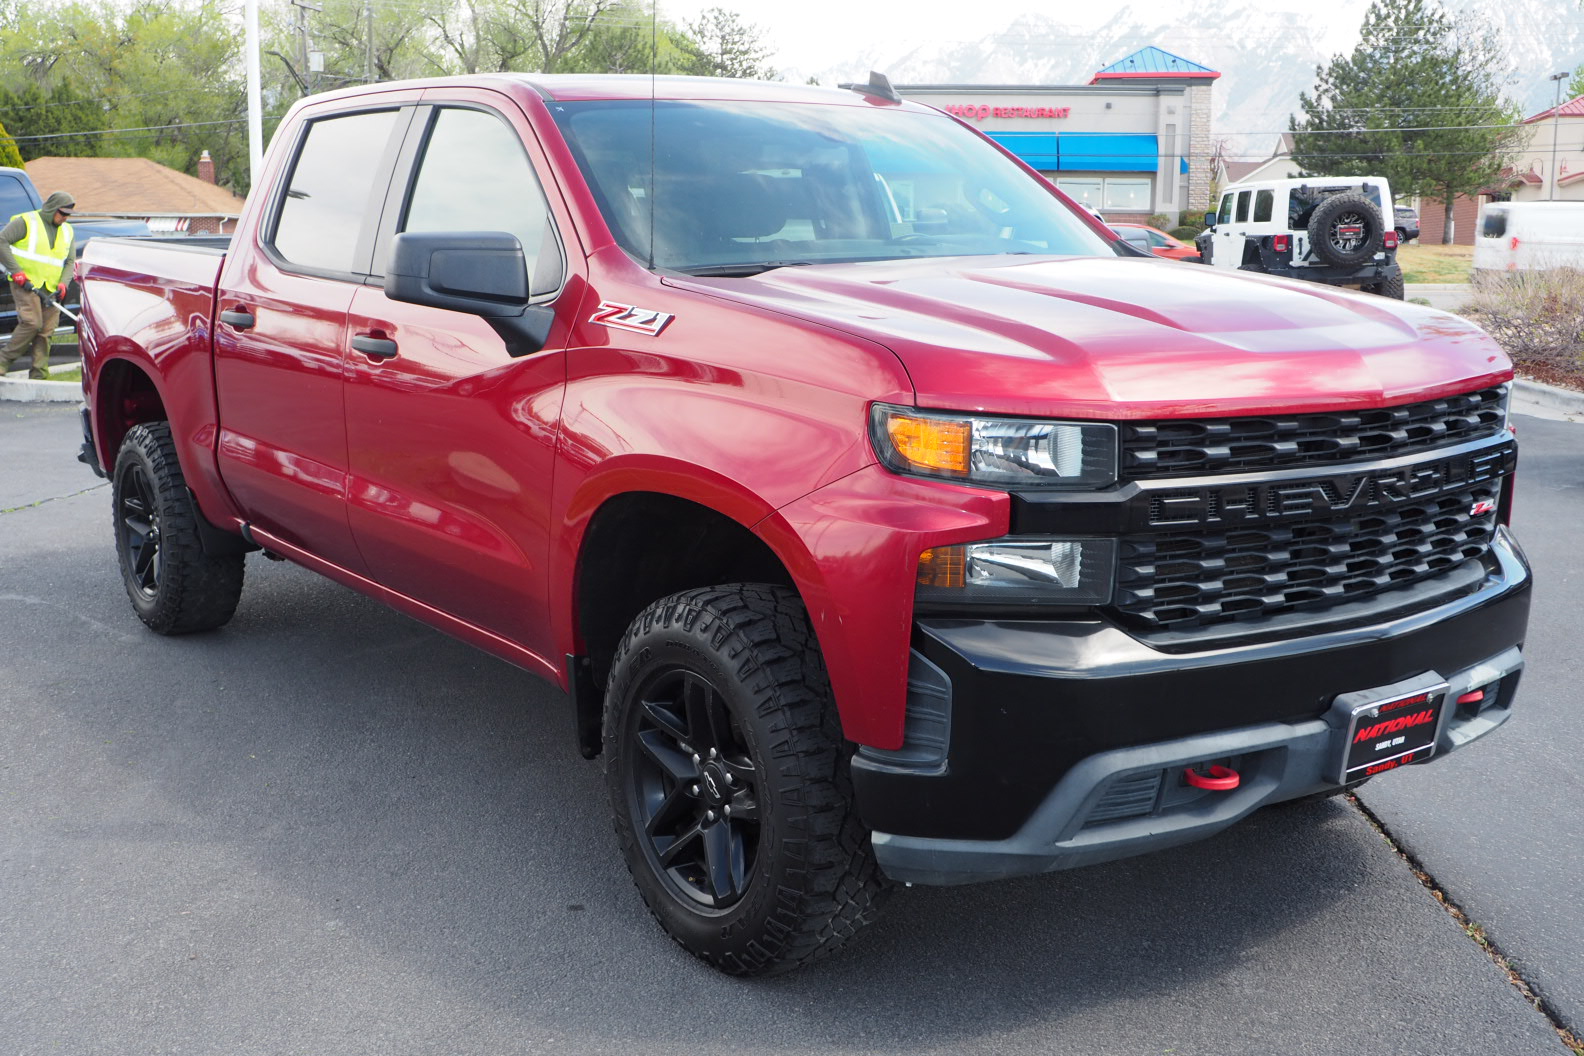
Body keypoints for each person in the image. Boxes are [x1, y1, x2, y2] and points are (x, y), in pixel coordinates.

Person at [0, 190, 75, 380]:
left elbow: (70, 261)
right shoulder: (27, 222)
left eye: (68, 214)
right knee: (32, 323)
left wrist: (63, 284)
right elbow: (1, 241)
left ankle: (39, 374)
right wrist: (16, 271)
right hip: (26, 284)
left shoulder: (68, 230)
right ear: (52, 209)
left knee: (46, 331)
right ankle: (2, 362)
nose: (65, 218)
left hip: (51, 288)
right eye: (63, 213)